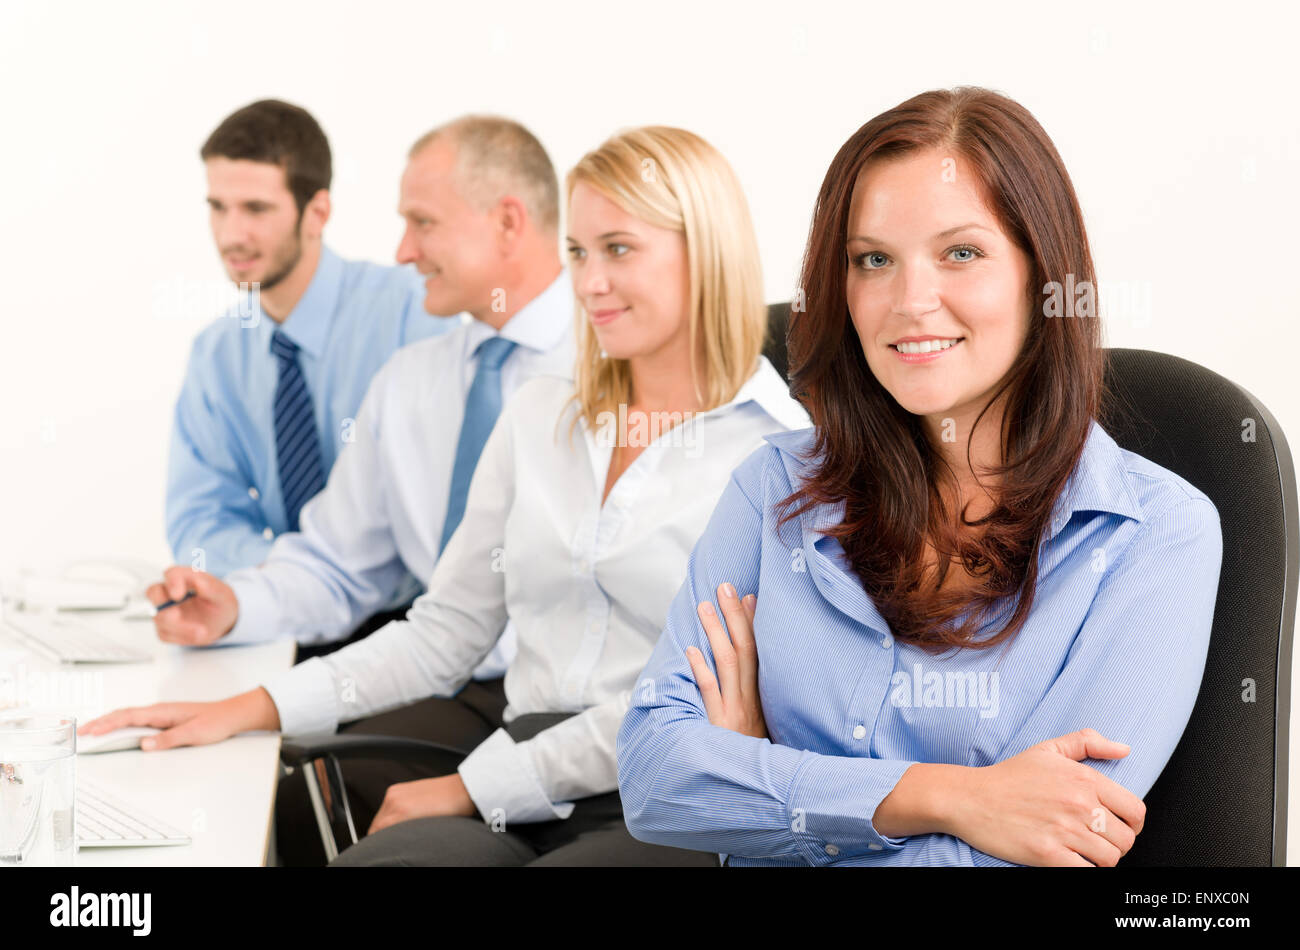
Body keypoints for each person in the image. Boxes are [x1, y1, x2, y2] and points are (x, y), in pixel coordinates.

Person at [83, 124, 810, 867]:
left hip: (664, 785)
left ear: (706, 251)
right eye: (579, 253)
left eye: (618, 249)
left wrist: (476, 785)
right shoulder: (540, 413)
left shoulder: (779, 455)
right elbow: (447, 630)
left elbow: (692, 698)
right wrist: (247, 708)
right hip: (518, 753)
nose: (588, 282)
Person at [616, 86, 1224, 867]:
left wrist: (760, 791)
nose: (909, 302)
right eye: (873, 260)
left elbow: (1043, 846)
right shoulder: (774, 488)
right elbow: (654, 776)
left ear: (1045, 278)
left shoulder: (1157, 537)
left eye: (960, 253)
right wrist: (954, 797)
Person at [167, 99, 456, 578]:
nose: (231, 234)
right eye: (218, 208)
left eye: (256, 209)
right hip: (278, 617)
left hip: (409, 622)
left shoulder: (412, 312)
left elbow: (443, 505)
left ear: (317, 212)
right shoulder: (216, 355)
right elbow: (202, 521)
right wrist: (297, 580)